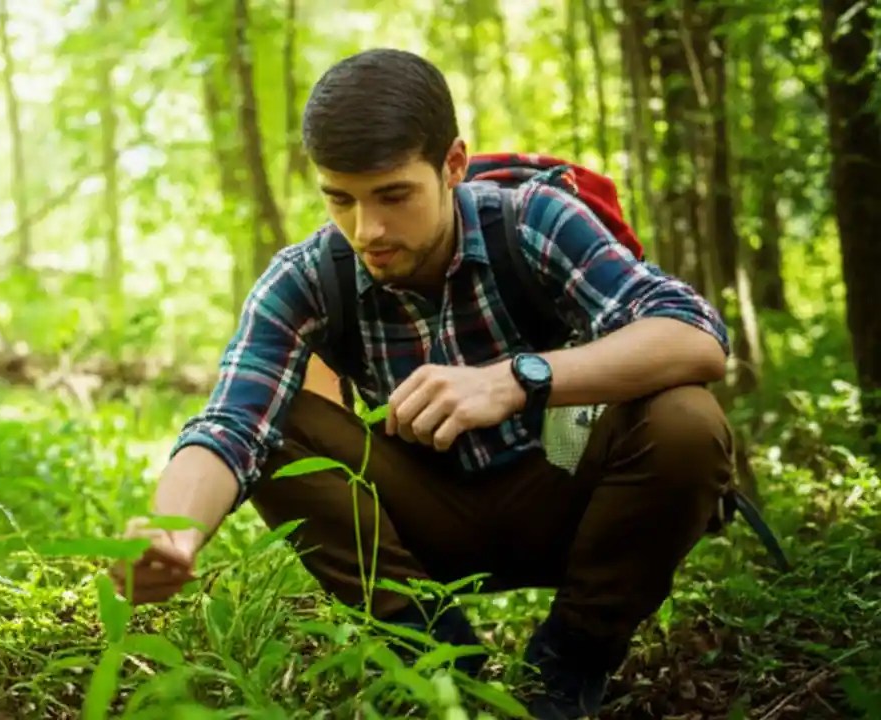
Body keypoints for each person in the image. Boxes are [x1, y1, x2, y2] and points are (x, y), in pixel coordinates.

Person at [110, 48, 734, 719]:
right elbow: (233, 422)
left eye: (394, 195)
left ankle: (570, 661)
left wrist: (517, 380)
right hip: (428, 514)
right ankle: (438, 665)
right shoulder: (305, 278)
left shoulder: (533, 221)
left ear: (453, 166)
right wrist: (172, 531)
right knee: (283, 421)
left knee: (686, 421)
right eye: (339, 200)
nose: (367, 230)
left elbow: (692, 334)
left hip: (570, 492)